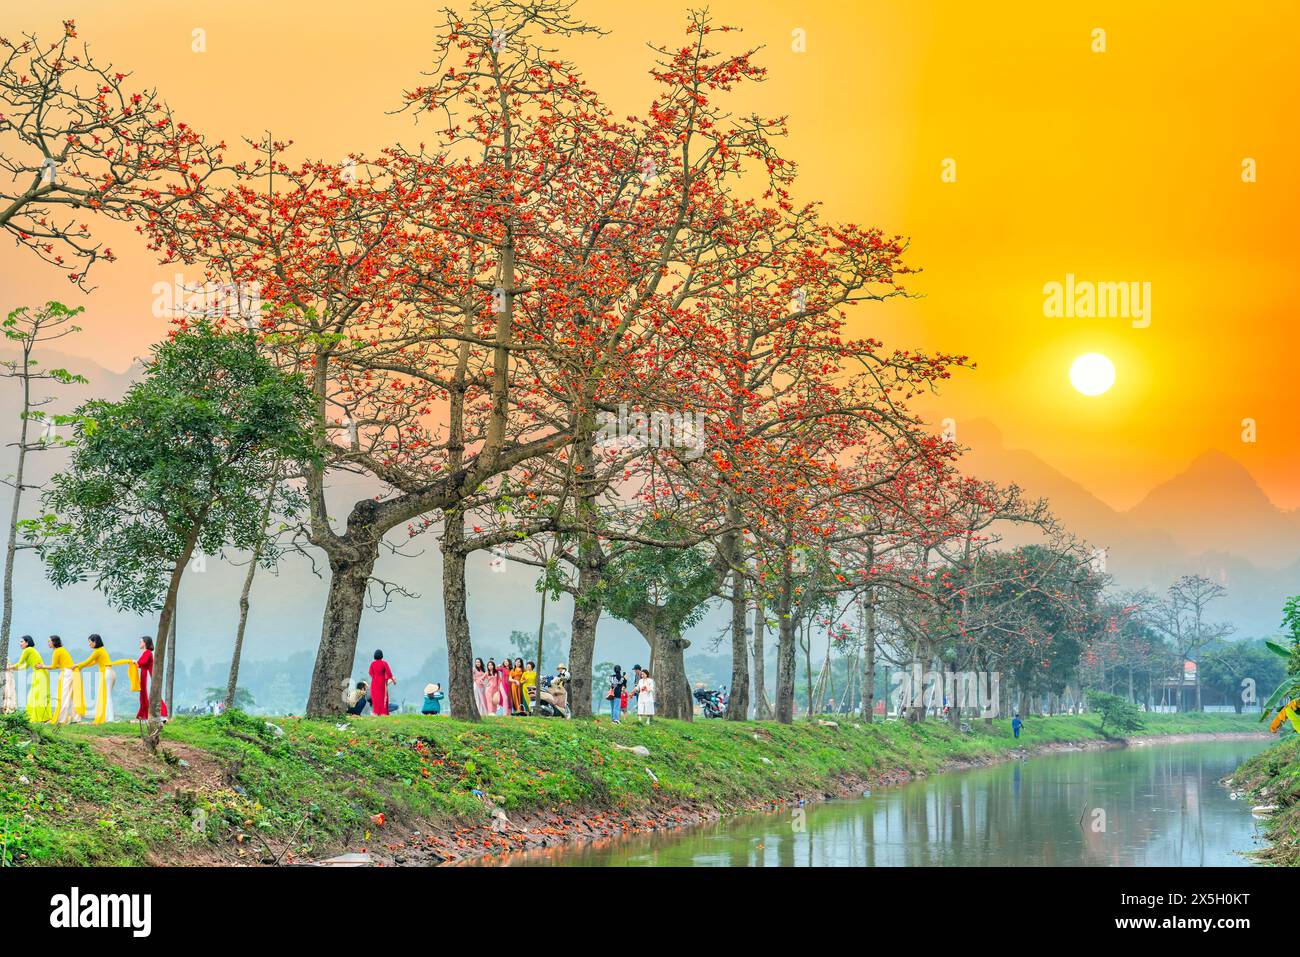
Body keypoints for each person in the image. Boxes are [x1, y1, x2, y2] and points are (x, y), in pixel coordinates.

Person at [73, 635, 132, 724]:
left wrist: (76, 665)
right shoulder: (101, 650)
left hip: (107, 673)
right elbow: (92, 663)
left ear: (95, 642)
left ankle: (110, 718)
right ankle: (108, 717)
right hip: (109, 672)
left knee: (107, 696)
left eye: (90, 642)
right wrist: (80, 667)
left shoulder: (97, 651)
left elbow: (87, 661)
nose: (89, 644)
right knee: (107, 695)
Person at [7, 636, 51, 723]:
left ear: (27, 643)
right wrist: (13, 669)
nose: (20, 644)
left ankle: (41, 718)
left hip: (40, 674)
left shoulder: (28, 650)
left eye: (22, 641)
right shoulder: (31, 650)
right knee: (37, 696)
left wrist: (8, 667)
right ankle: (42, 718)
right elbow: (26, 666)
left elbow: (20, 663)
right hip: (41, 674)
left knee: (36, 696)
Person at [41, 636, 80, 724]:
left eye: (49, 641)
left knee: (64, 696)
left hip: (67, 674)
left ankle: (61, 719)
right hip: (70, 672)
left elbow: (53, 666)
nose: (48, 643)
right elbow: (60, 665)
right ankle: (72, 718)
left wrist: (42, 666)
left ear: (54, 642)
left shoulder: (56, 651)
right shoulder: (62, 650)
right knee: (69, 696)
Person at [135, 636, 168, 721]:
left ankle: (162, 715)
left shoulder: (148, 653)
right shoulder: (145, 652)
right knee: (144, 697)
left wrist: (134, 662)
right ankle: (145, 716)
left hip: (148, 678)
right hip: (144, 677)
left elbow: (141, 663)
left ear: (145, 643)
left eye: (141, 642)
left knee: (151, 696)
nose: (140, 643)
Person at [368, 650, 395, 716]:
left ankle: (376, 712)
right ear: (382, 655)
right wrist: (393, 680)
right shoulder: (384, 663)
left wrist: (374, 677)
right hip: (382, 683)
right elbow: (389, 673)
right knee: (383, 697)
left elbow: (370, 673)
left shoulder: (372, 664)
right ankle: (383, 713)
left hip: (374, 683)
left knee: (376, 698)